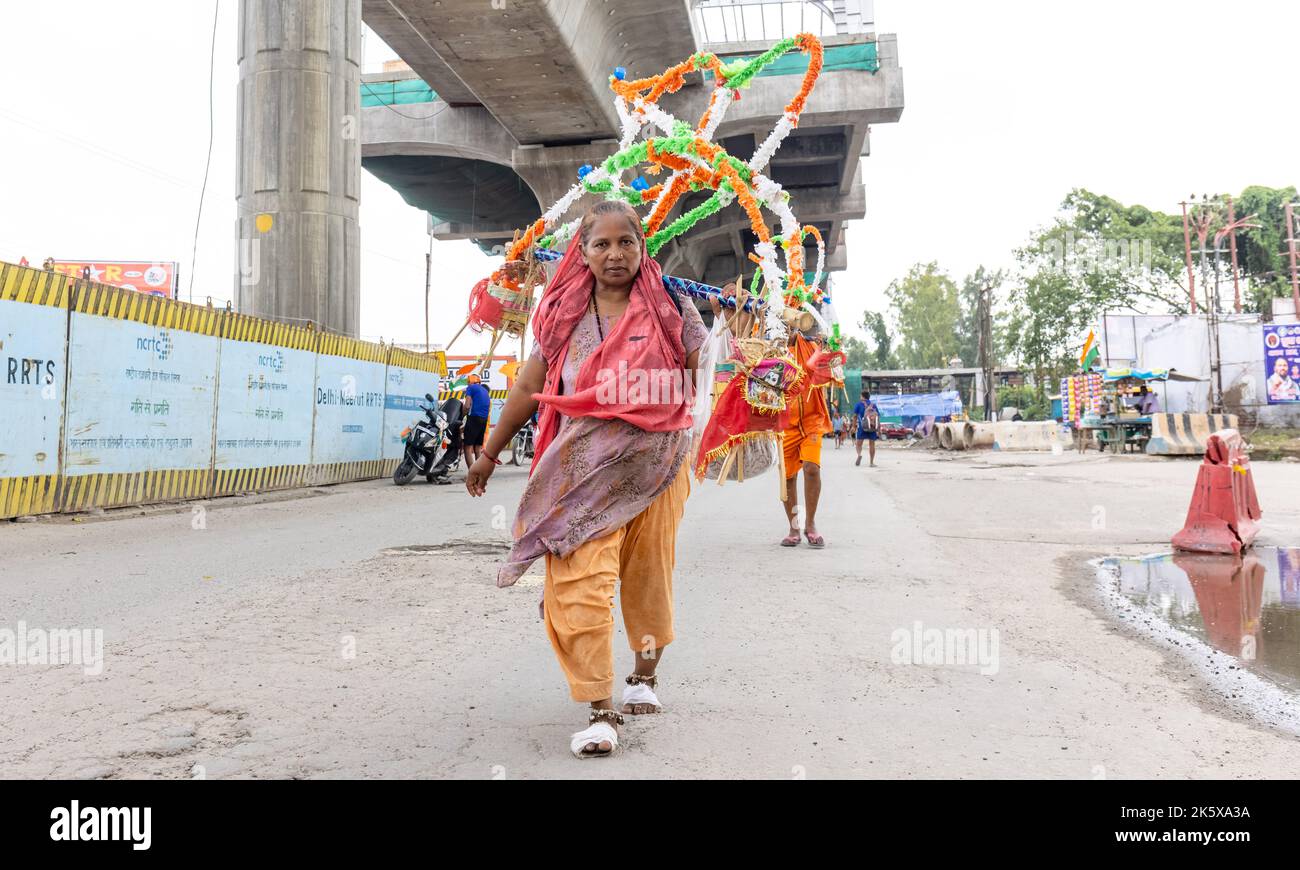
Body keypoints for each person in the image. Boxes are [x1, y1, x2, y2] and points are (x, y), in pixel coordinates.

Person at [465, 200, 706, 759]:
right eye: (602, 244)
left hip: (656, 467)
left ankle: (643, 676)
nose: (615, 253)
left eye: (627, 242)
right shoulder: (561, 314)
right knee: (580, 583)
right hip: (583, 473)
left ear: (644, 247)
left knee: (648, 579)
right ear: (584, 250)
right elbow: (528, 388)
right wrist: (489, 454)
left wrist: (688, 429)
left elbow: (701, 379)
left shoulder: (673, 304)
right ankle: (601, 709)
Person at [779, 330, 832, 548]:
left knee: (812, 468)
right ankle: (794, 527)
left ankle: (810, 524)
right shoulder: (774, 347)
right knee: (788, 477)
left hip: (812, 419)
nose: (790, 328)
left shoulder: (811, 345)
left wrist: (827, 347)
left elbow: (829, 372)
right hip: (785, 421)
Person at [461, 373, 491, 469]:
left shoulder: (471, 388)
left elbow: (467, 406)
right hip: (483, 420)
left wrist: (461, 416)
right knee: (477, 448)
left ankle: (472, 473)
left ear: (470, 382)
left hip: (474, 418)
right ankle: (479, 472)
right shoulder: (484, 390)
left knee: (467, 447)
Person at [853, 389, 880, 467]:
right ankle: (871, 462)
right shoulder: (873, 405)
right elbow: (878, 417)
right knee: (872, 444)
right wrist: (878, 429)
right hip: (872, 427)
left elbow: (855, 416)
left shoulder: (858, 404)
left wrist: (854, 426)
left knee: (858, 444)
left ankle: (859, 454)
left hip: (863, 426)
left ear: (862, 396)